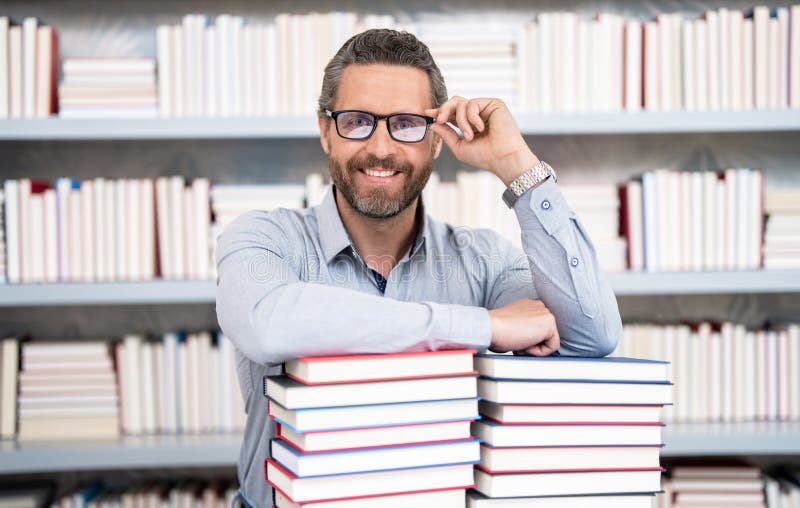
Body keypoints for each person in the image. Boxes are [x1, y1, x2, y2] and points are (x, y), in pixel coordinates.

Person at [216, 28, 622, 508]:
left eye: (407, 123)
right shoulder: (264, 239)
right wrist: (483, 327)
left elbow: (589, 338)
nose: (382, 148)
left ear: (436, 141)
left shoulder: (486, 262)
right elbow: (270, 323)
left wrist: (517, 166)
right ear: (326, 131)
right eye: (357, 121)